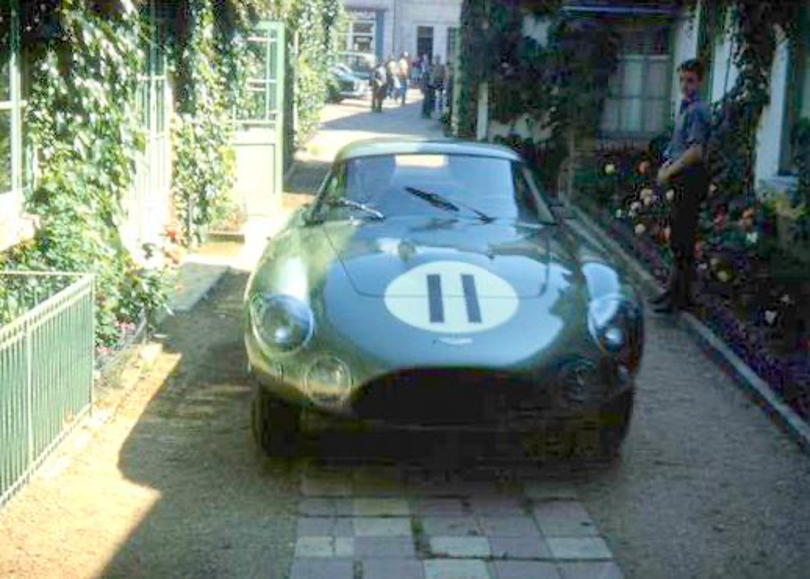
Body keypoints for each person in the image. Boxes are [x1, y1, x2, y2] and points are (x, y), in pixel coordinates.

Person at [653, 58, 711, 315]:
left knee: (683, 239)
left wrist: (669, 172)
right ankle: (676, 293)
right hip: (681, 177)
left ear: (700, 82)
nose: (685, 85)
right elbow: (677, 146)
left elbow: (695, 151)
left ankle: (679, 298)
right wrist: (665, 166)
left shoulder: (698, 110)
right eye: (682, 80)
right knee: (679, 238)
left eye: (690, 80)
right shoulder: (685, 108)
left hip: (691, 178)